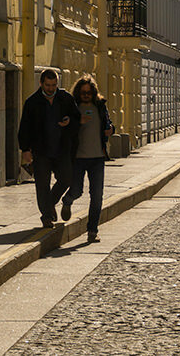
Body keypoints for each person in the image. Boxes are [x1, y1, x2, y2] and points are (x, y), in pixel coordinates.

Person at [18, 69, 80, 229]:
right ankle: (46, 216)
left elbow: (77, 119)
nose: (51, 88)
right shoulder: (32, 102)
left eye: (54, 85)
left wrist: (69, 122)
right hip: (41, 150)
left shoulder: (65, 98)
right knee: (42, 184)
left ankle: (50, 202)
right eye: (48, 85)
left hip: (62, 148)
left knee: (66, 179)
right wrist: (25, 149)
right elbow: (25, 126)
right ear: (41, 83)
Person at [60, 75, 113, 243]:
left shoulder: (100, 105)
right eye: (83, 92)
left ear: (93, 92)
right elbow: (65, 128)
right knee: (77, 190)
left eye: (88, 92)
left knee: (97, 196)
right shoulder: (72, 107)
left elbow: (108, 123)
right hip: (78, 158)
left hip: (97, 157)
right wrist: (78, 122)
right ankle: (67, 201)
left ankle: (92, 231)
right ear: (78, 92)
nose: (86, 95)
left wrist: (111, 129)